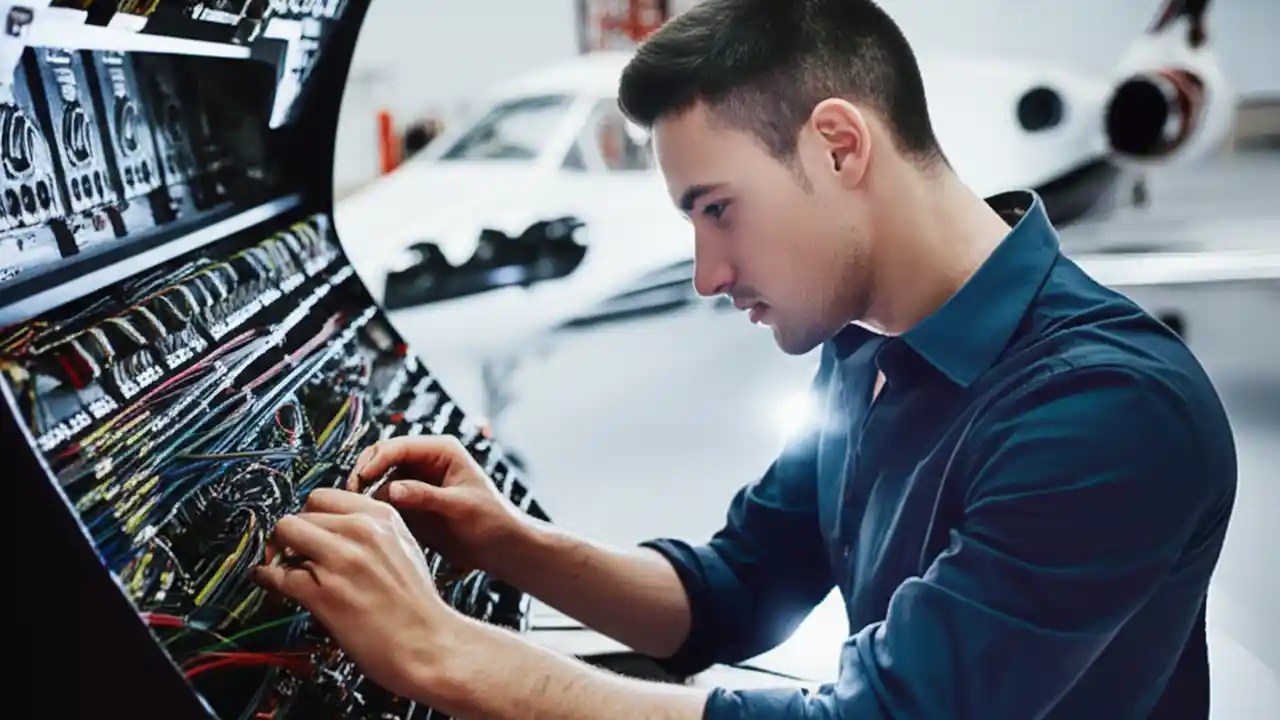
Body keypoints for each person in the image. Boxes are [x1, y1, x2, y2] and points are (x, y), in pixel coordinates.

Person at [253, 1, 1237, 717]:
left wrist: (439, 651)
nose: (706, 274)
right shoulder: (866, 344)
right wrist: (503, 541)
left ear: (838, 147)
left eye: (717, 210)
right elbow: (731, 592)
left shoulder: (1107, 411)